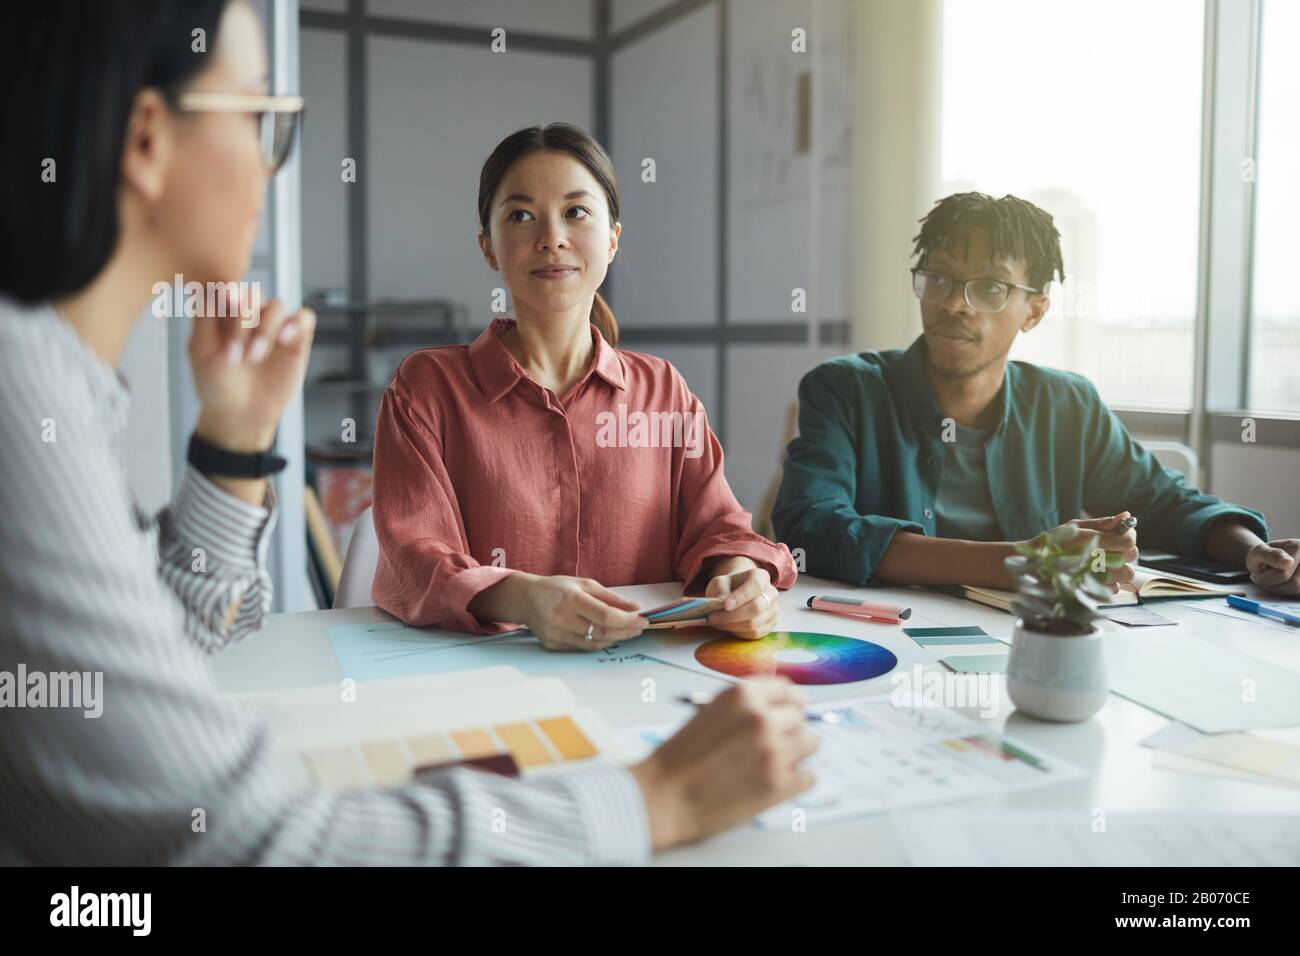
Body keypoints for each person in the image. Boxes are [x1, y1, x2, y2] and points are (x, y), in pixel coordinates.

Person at [0, 0, 816, 865]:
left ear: (613, 236)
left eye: (578, 213)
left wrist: (233, 443)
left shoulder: (60, 382)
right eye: (258, 115)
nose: (274, 164)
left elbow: (174, 642)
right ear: (149, 139)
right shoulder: (26, 393)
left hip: (640, 702)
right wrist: (652, 804)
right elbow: (234, 836)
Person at [371, 122, 798, 650]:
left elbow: (718, 527)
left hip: (647, 681)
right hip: (484, 681)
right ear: (488, 248)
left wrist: (741, 576)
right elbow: (415, 556)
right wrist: (525, 598)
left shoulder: (662, 390)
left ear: (613, 238)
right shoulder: (427, 390)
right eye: (521, 215)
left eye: (576, 212)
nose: (551, 237)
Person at [773, 192, 1297, 595]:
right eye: (938, 279)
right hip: (887, 647)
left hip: (1031, 643)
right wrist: (1026, 560)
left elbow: (1164, 502)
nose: (955, 304)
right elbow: (810, 526)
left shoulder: (1067, 405)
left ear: (1035, 310)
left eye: (990, 287)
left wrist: (1256, 553)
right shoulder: (847, 389)